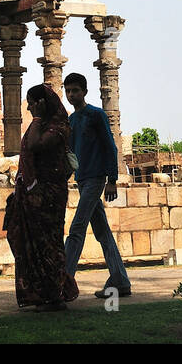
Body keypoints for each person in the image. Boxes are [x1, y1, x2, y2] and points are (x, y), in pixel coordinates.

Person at [3, 83, 79, 311]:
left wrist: (36, 119)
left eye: (31, 104)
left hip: (49, 195)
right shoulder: (45, 126)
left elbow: (35, 146)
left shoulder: (58, 127)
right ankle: (39, 292)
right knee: (24, 238)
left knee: (48, 244)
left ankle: (54, 295)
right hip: (33, 193)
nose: (28, 109)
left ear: (42, 104)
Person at [62, 72, 132, 298]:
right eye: (68, 91)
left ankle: (63, 281)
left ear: (84, 92)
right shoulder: (72, 121)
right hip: (82, 179)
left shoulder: (96, 115)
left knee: (76, 229)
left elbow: (110, 147)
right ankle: (120, 281)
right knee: (102, 232)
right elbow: (70, 156)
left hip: (95, 179)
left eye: (75, 90)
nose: (71, 95)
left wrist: (112, 180)